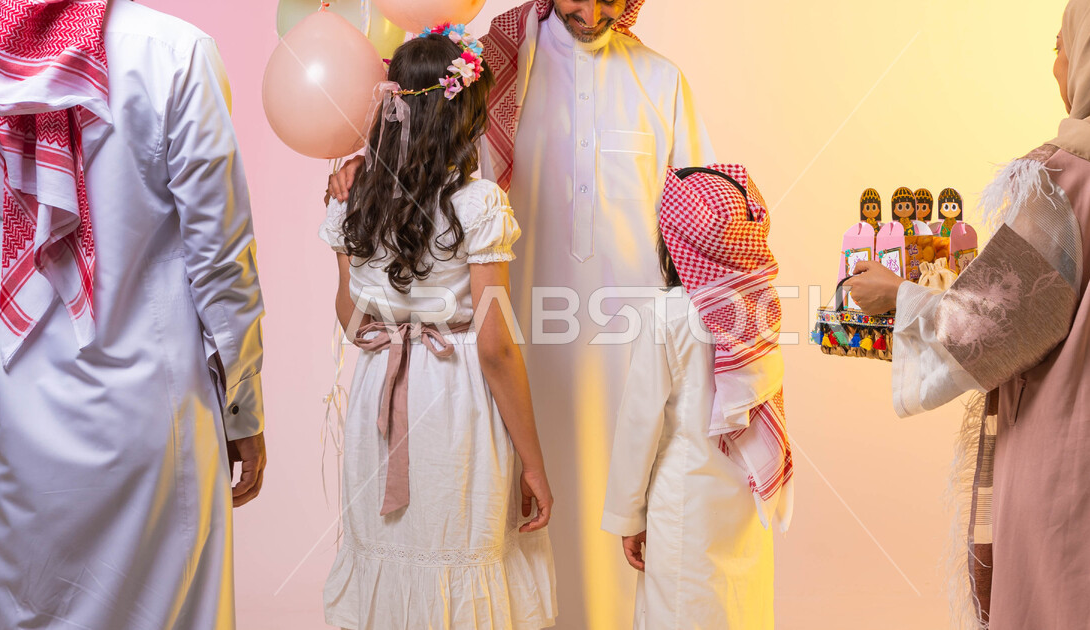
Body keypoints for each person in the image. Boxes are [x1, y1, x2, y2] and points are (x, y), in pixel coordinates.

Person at [328, 1, 715, 625]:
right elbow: (419, 145)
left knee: (624, 513)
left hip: (628, 346)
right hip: (501, 351)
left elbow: (707, 218)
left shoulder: (663, 82)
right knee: (495, 529)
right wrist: (363, 165)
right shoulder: (497, 71)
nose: (592, 9)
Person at [846, 0, 1090, 628]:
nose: (1056, 66)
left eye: (1062, 45)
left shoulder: (1068, 182)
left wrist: (898, 295)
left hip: (1076, 470)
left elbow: (990, 330)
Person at [0, 1, 266, 628]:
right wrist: (244, 405)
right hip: (157, 413)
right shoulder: (176, 50)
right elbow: (223, 259)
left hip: (16, 409)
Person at [317, 29, 556, 630]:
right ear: (464, 114)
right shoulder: (478, 204)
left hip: (380, 393)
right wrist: (534, 462)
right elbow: (496, 345)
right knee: (463, 543)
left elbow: (351, 322)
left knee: (390, 552)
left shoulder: (351, 201)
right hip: (453, 399)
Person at [601, 165, 791, 630]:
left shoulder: (666, 314)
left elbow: (638, 424)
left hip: (682, 502)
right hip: (745, 501)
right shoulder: (761, 306)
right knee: (738, 611)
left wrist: (628, 515)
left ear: (676, 239)